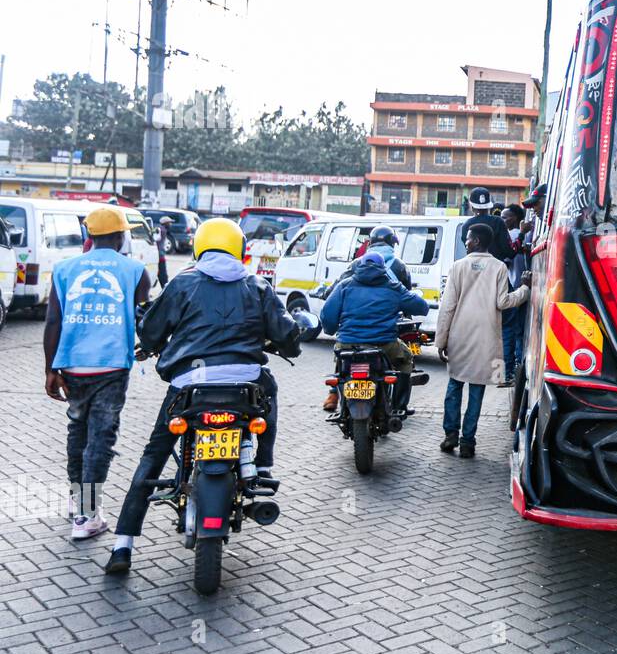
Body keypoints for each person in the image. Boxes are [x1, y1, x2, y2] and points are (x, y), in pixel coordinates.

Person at [104, 218, 301, 575]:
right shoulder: (257, 285)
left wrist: (150, 343)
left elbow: (150, 330)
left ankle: (122, 546)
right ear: (239, 249)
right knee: (268, 392)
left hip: (190, 390)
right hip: (245, 388)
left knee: (153, 457)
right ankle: (263, 462)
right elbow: (287, 333)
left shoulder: (182, 283)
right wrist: (291, 339)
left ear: (200, 247)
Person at [44, 206, 151, 541]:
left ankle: (78, 502)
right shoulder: (136, 270)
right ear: (121, 237)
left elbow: (53, 322)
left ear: (89, 236)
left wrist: (50, 368)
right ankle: (88, 516)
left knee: (78, 430)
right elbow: (144, 318)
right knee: (100, 439)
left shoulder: (63, 269)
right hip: (112, 366)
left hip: (72, 366)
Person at [434, 223, 530, 458]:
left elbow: (447, 308)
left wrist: (441, 340)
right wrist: (525, 290)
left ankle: (450, 435)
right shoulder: (498, 267)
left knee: (454, 386)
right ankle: (468, 442)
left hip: (459, 337)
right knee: (476, 390)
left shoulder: (458, 267)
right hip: (486, 339)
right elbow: (503, 303)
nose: (465, 242)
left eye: (467, 239)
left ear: (476, 241)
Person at [320, 251, 429, 415]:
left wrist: (330, 330)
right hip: (384, 344)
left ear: (360, 265)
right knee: (406, 358)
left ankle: (341, 404)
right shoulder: (393, 287)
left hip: (348, 344)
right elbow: (422, 307)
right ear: (383, 268)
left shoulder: (344, 285)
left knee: (341, 370)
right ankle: (400, 406)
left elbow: (327, 316)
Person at [498, 204, 527, 387]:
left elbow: (507, 259)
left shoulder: (514, 235)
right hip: (520, 288)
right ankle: (514, 369)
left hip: (515, 288)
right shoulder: (515, 235)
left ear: (515, 218)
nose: (502, 221)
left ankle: (508, 373)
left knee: (511, 332)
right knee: (517, 332)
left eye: (505, 217)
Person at [468, 186, 514, 262]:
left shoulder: (467, 225)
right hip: (495, 269)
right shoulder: (498, 222)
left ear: (472, 207)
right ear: (489, 205)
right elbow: (509, 252)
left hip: (472, 269)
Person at [154, 216, 172, 289]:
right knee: (163, 275)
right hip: (160, 256)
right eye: (169, 223)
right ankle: (165, 289)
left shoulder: (158, 229)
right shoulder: (163, 230)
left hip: (157, 255)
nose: (171, 224)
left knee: (159, 273)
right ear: (166, 223)